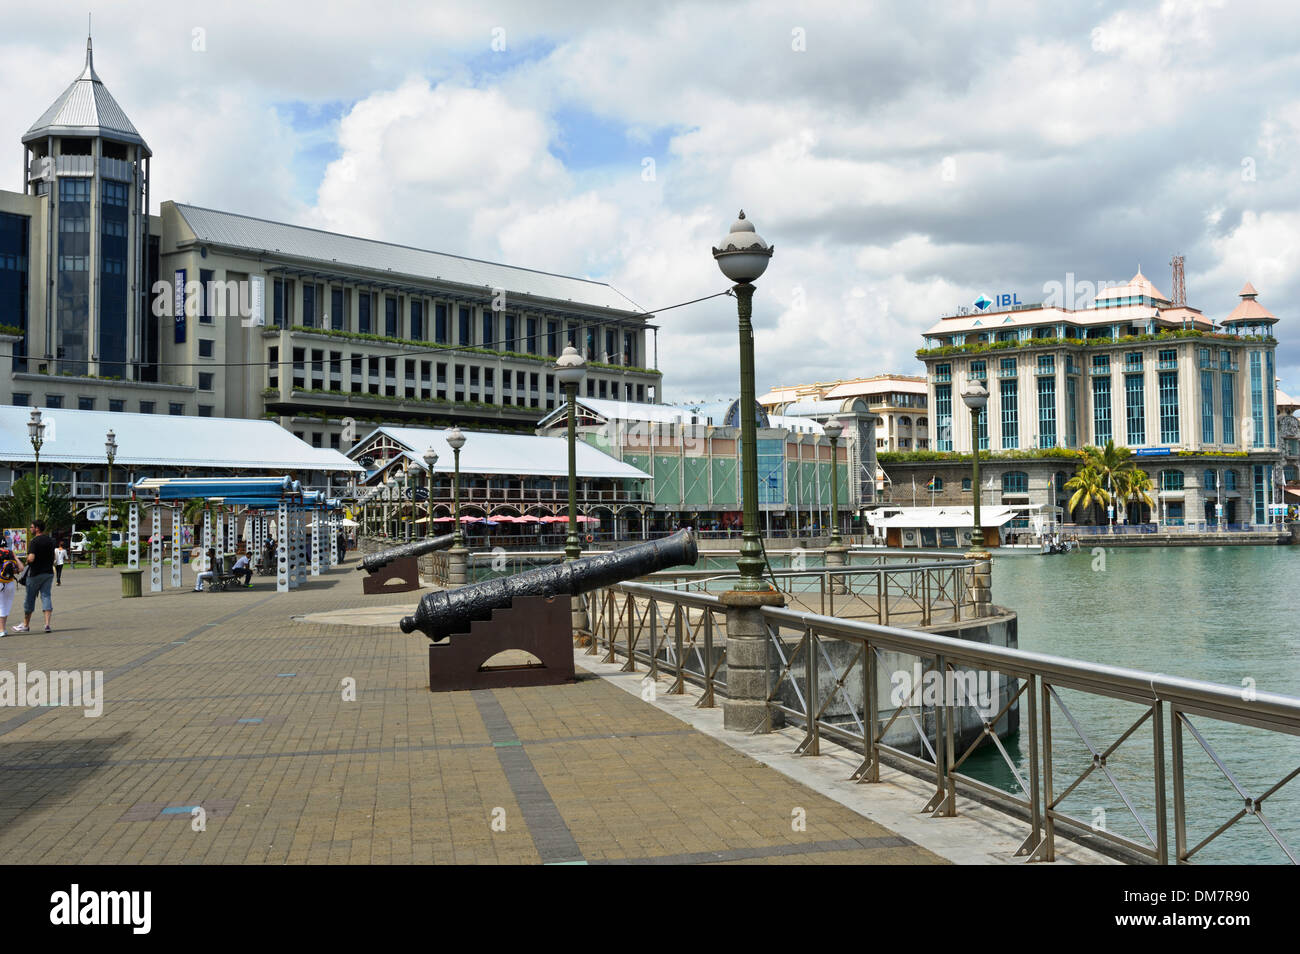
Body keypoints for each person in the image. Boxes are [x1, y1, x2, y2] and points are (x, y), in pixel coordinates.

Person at [13, 520, 55, 633]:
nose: (30, 529)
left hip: (35, 574)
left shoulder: (34, 541)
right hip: (48, 573)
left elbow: (31, 558)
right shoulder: (50, 540)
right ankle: (47, 624)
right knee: (46, 596)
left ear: (37, 528)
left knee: (29, 599)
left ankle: (26, 625)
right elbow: (54, 556)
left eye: (31, 527)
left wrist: (27, 561)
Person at [0, 538, 21, 637]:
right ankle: (2, 629)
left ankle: (2, 630)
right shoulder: (10, 553)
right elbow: (20, 568)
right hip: (10, 583)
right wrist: (15, 557)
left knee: (1, 606)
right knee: (5, 606)